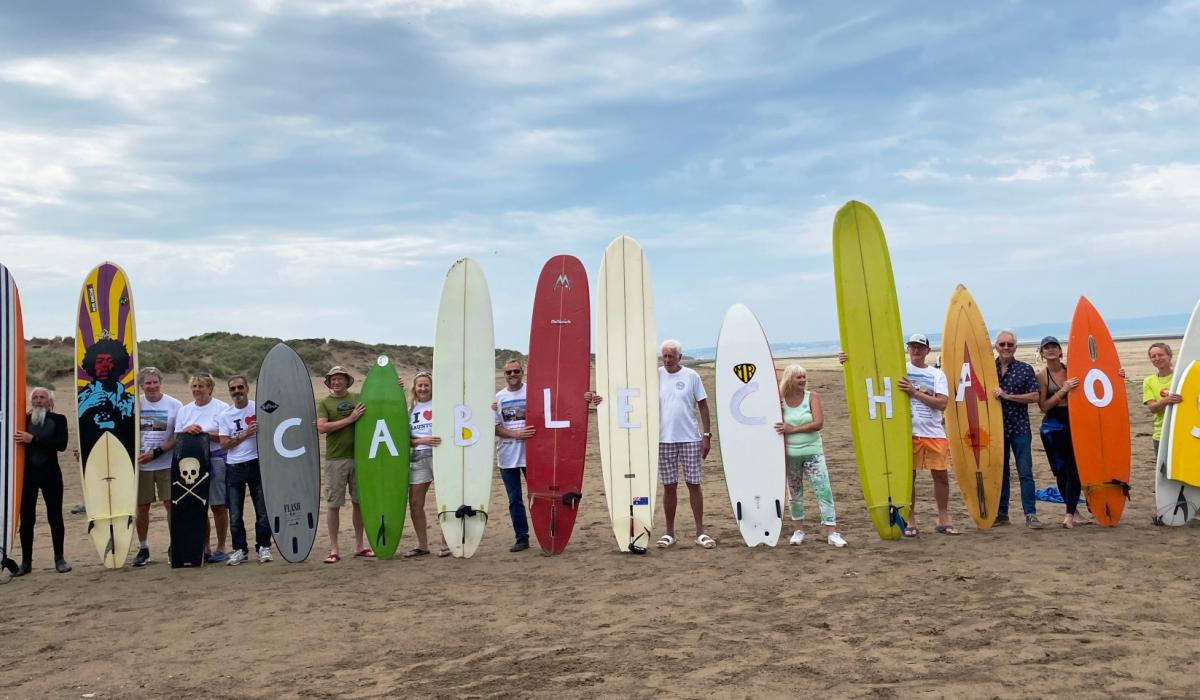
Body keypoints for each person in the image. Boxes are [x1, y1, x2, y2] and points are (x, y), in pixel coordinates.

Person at [773, 365, 847, 547]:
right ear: (790, 379)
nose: (803, 380)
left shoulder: (812, 397)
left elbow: (818, 423)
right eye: (799, 377)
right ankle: (798, 530)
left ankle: (832, 532)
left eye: (804, 377)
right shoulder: (780, 401)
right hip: (790, 455)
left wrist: (793, 429)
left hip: (813, 452)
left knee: (823, 490)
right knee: (795, 493)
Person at [655, 340, 715, 549]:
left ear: (679, 357)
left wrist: (706, 435)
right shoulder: (656, 375)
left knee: (693, 484)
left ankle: (700, 532)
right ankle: (669, 532)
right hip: (664, 439)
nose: (668, 360)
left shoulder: (691, 376)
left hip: (690, 438)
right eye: (665, 356)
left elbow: (703, 406)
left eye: (671, 356)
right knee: (669, 486)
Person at [899, 334, 958, 536]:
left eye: (920, 347)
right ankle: (910, 519)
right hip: (908, 432)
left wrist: (915, 393)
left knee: (941, 475)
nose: (916, 350)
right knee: (909, 477)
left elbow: (942, 403)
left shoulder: (937, 375)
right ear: (908, 349)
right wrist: (847, 360)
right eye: (912, 346)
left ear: (927, 350)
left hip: (933, 431)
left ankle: (943, 517)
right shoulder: (900, 368)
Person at [12, 388, 70, 575]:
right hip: (27, 475)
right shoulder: (22, 420)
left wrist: (34, 439)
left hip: (51, 473)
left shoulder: (59, 420)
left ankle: (59, 559)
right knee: (27, 519)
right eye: (35, 397)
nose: (38, 400)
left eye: (42, 397)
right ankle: (26, 563)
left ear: (49, 401)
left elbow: (61, 445)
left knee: (55, 516)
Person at [316, 366, 371, 563]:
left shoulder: (358, 399)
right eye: (333, 379)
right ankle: (334, 548)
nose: (337, 382)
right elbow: (322, 427)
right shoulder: (324, 403)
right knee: (333, 505)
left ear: (347, 381)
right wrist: (351, 419)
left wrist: (397, 386)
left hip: (360, 458)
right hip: (335, 459)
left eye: (340, 379)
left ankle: (360, 546)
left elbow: (381, 404)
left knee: (359, 503)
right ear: (329, 383)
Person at [176, 372, 231, 563]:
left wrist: (206, 434)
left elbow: (227, 437)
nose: (197, 390)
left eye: (201, 386)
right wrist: (187, 430)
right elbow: (177, 437)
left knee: (218, 505)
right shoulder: (185, 410)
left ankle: (221, 546)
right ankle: (205, 546)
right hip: (193, 461)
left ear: (210, 388)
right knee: (200, 505)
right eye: (194, 386)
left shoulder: (222, 408)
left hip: (216, 459)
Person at [992, 331, 1044, 529]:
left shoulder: (1024, 369)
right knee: (1000, 473)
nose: (1006, 347)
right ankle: (1001, 514)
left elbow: (1034, 396)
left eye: (1010, 344)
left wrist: (1008, 396)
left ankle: (1030, 514)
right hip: (996, 430)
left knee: (1025, 472)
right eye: (1002, 344)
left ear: (1015, 347)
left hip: (1020, 428)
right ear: (996, 346)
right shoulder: (988, 369)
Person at [218, 375, 271, 565]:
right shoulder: (225, 415)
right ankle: (240, 549)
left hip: (257, 463)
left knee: (263, 510)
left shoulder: (259, 407)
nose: (237, 391)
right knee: (234, 512)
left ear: (247, 388)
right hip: (234, 466)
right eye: (233, 389)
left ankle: (263, 546)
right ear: (230, 392)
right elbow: (224, 444)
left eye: (240, 387)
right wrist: (245, 434)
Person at [132, 367, 181, 567]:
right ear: (141, 385)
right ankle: (143, 548)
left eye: (155, 382)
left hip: (165, 463)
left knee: (170, 504)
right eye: (147, 383)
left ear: (161, 383)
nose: (152, 386)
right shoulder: (135, 404)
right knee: (142, 507)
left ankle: (174, 546)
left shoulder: (174, 404)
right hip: (141, 465)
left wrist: (157, 452)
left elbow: (177, 436)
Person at [1035, 336, 1086, 528]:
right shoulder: (1041, 376)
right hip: (1053, 426)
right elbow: (1044, 407)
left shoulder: (1073, 370)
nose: (1050, 350)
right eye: (1046, 347)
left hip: (1075, 422)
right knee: (1061, 471)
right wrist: (1063, 390)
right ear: (1042, 353)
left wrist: (1119, 374)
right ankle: (1074, 511)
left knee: (1075, 468)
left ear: (1060, 351)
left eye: (1054, 346)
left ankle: (1069, 515)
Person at [402, 371, 449, 558]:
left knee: (445, 501)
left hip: (441, 457)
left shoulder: (442, 406)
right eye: (419, 385)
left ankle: (447, 542)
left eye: (426, 385)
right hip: (418, 459)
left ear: (432, 387)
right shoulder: (410, 410)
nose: (423, 388)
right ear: (415, 388)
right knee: (414, 502)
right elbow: (406, 439)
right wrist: (421, 441)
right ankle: (422, 545)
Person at [495, 359, 534, 552]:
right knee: (514, 499)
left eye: (516, 371)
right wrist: (516, 434)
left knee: (536, 495)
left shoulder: (532, 391)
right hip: (507, 457)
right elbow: (496, 428)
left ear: (522, 372)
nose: (512, 375)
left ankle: (546, 533)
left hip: (533, 456)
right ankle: (522, 537)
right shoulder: (499, 398)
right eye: (508, 372)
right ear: (504, 375)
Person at [1143, 342, 1182, 453]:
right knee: (1163, 470)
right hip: (1161, 434)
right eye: (1153, 356)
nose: (1157, 358)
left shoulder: (1181, 376)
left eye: (1160, 355)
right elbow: (1152, 408)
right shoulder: (1148, 381)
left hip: (1183, 432)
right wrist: (1165, 401)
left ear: (1169, 356)